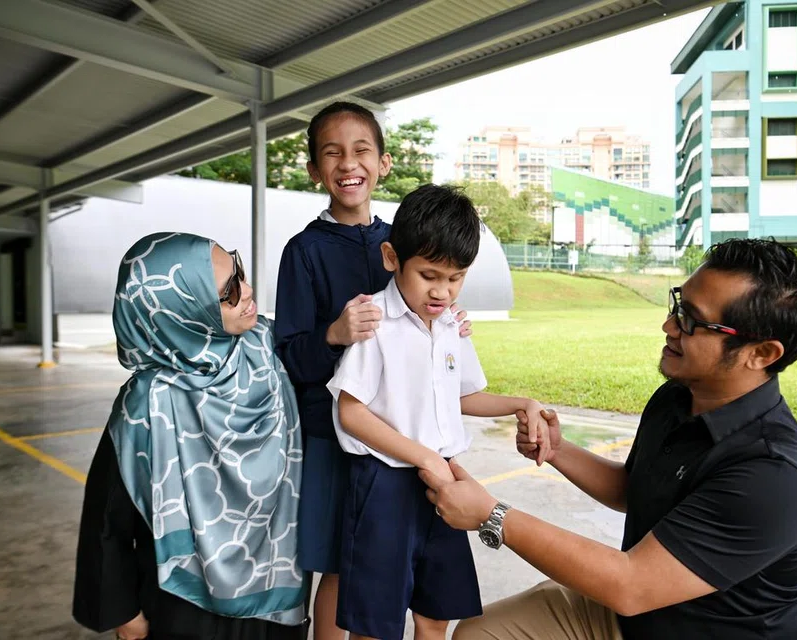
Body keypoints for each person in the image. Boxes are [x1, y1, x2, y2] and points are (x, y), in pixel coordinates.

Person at [422, 238, 797, 640]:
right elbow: (631, 488)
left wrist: (492, 515)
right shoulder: (679, 397)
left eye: (691, 320)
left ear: (761, 354)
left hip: (669, 615)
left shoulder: (773, 475)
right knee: (482, 633)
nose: (669, 325)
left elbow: (631, 584)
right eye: (677, 304)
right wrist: (558, 449)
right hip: (634, 621)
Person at [274, 102, 472, 640]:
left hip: (410, 438)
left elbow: (432, 300)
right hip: (341, 435)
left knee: (415, 569)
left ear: (383, 163)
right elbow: (288, 354)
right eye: (331, 153)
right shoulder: (304, 251)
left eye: (361, 149)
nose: (347, 162)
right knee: (344, 564)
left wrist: (450, 318)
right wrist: (334, 334)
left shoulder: (408, 238)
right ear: (315, 169)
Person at [326, 184, 550, 640]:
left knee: (436, 612)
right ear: (392, 258)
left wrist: (521, 405)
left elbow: (462, 396)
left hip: (443, 486)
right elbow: (351, 412)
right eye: (429, 275)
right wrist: (426, 457)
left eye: (456, 278)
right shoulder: (376, 322)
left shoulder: (451, 326)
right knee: (377, 619)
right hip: (385, 485)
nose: (442, 291)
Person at [74, 232, 307, 640]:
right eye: (228, 292)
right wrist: (123, 612)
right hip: (182, 605)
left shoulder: (270, 352)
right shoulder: (149, 401)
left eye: (239, 272)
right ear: (182, 313)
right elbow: (108, 515)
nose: (247, 292)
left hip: (275, 591)